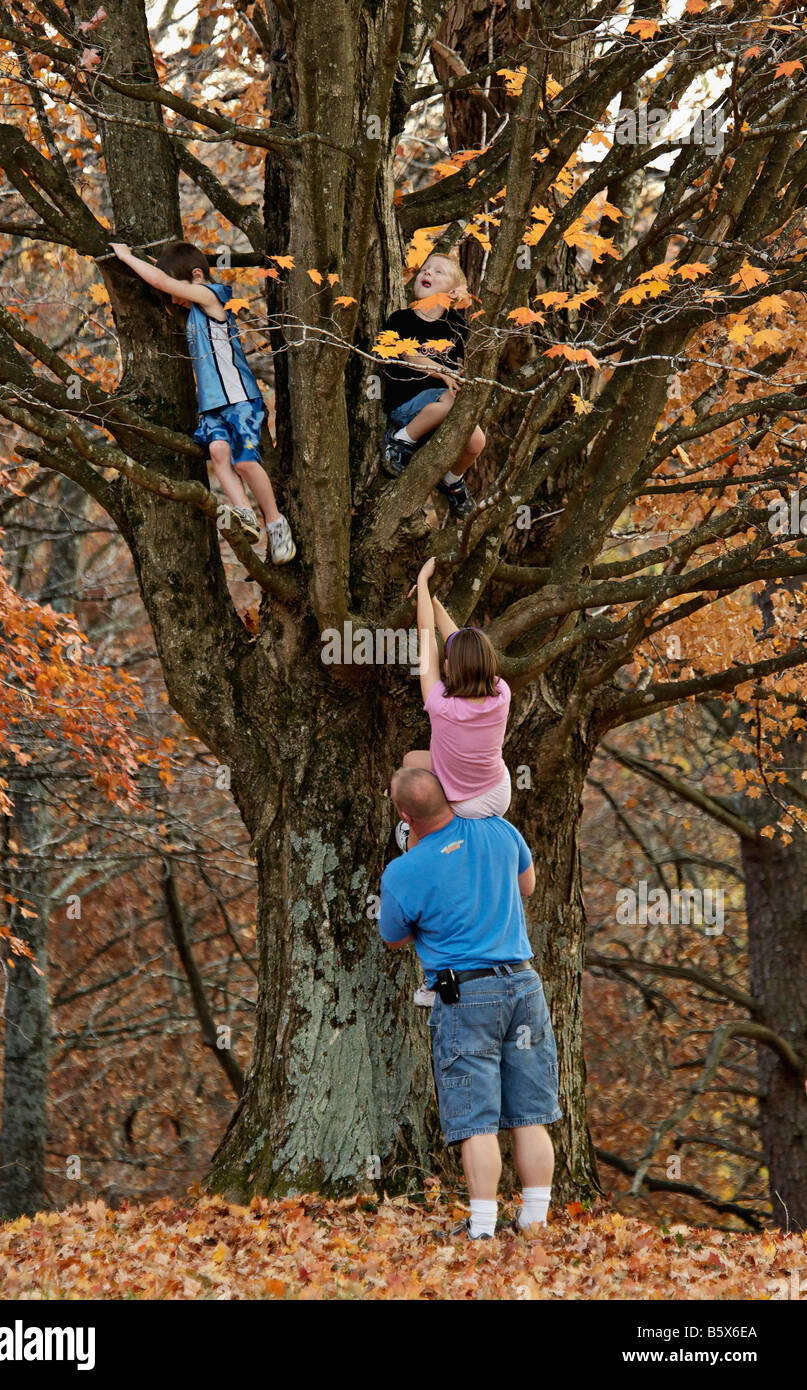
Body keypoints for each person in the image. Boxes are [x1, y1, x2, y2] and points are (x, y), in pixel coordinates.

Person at [379, 767, 561, 1241]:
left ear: (404, 816)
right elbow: (528, 886)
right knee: (531, 1113)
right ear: (449, 794)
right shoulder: (499, 830)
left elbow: (394, 938)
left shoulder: (403, 871)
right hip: (524, 985)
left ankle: (482, 1229)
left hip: (467, 996)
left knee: (476, 1117)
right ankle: (535, 1222)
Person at [109, 239, 296, 564]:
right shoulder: (192, 308)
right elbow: (166, 281)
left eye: (175, 288)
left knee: (245, 461)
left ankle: (276, 523)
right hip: (212, 405)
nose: (171, 298)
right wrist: (160, 266)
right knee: (218, 451)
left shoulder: (213, 297)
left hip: (239, 398)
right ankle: (244, 513)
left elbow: (162, 281)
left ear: (196, 275)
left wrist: (126, 257)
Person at [395, 557, 511, 851]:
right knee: (412, 760)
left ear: (449, 668)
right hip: (499, 792)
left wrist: (422, 582)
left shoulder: (440, 704)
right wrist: (429, 596)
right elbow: (458, 642)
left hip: (465, 804)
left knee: (410, 775)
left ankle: (417, 841)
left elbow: (426, 637)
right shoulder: (501, 692)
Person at [379, 253, 486, 519]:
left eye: (438, 272)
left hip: (444, 406)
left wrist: (460, 377)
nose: (428, 273)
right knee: (448, 402)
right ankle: (401, 440)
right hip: (406, 401)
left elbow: (464, 366)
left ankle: (452, 480)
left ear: (453, 291)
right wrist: (441, 372)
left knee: (477, 441)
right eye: (425, 269)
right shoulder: (401, 319)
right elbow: (409, 355)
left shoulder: (457, 326)